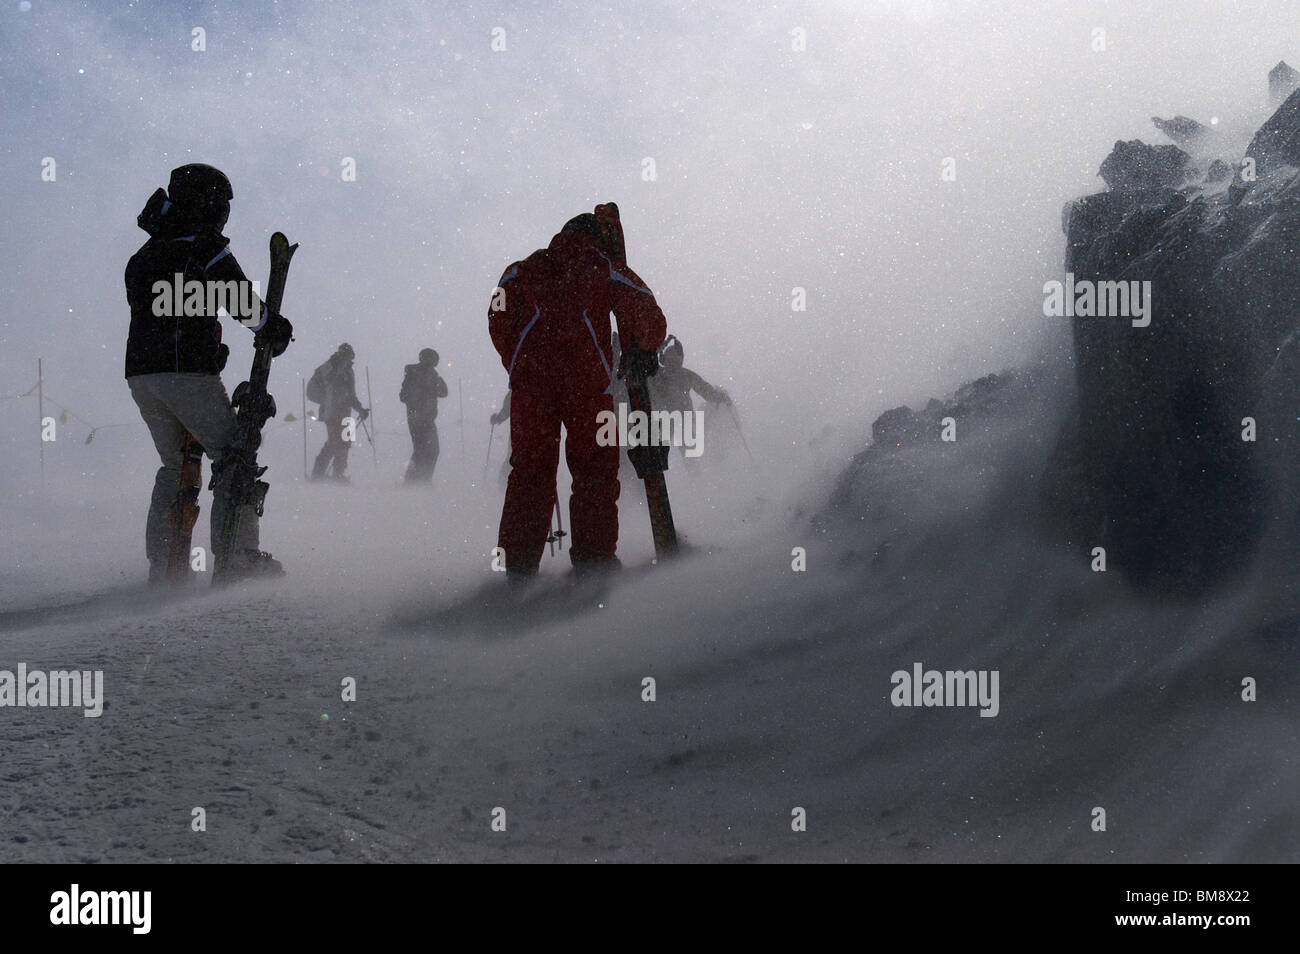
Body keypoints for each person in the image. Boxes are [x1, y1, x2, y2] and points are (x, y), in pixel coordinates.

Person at [125, 163, 293, 584]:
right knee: (233, 457)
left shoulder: (144, 256)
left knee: (176, 465)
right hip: (187, 375)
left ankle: (165, 566)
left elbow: (161, 311)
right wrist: (270, 325)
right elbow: (237, 298)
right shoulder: (203, 248)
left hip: (143, 376)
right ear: (208, 205)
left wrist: (202, 343)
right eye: (222, 205)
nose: (224, 214)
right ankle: (238, 556)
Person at [488, 204, 667, 583]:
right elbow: (645, 307)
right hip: (589, 384)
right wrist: (646, 346)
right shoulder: (600, 264)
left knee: (529, 471)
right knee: (595, 469)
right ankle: (593, 562)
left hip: (532, 387)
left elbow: (497, 312)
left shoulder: (521, 269)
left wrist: (517, 361)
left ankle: (517, 570)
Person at [649, 335, 731, 464]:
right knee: (683, 458)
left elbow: (705, 390)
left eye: (675, 357)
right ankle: (695, 480)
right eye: (671, 357)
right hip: (674, 421)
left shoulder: (661, 374)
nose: (674, 360)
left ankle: (655, 479)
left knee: (660, 457)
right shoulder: (665, 374)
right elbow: (705, 390)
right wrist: (720, 397)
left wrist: (720, 397)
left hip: (671, 421)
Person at [309, 343, 368, 481]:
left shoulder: (347, 370)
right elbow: (344, 393)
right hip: (332, 412)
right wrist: (327, 400)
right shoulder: (330, 367)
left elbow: (350, 395)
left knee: (344, 442)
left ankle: (336, 474)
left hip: (343, 412)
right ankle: (321, 474)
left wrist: (360, 409)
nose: (348, 359)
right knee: (335, 442)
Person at [399, 348, 449, 483]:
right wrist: (422, 393)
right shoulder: (414, 375)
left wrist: (434, 384)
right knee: (423, 450)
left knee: (429, 450)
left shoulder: (431, 376)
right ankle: (414, 480)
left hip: (425, 418)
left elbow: (444, 392)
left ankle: (421, 479)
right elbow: (403, 396)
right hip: (418, 418)